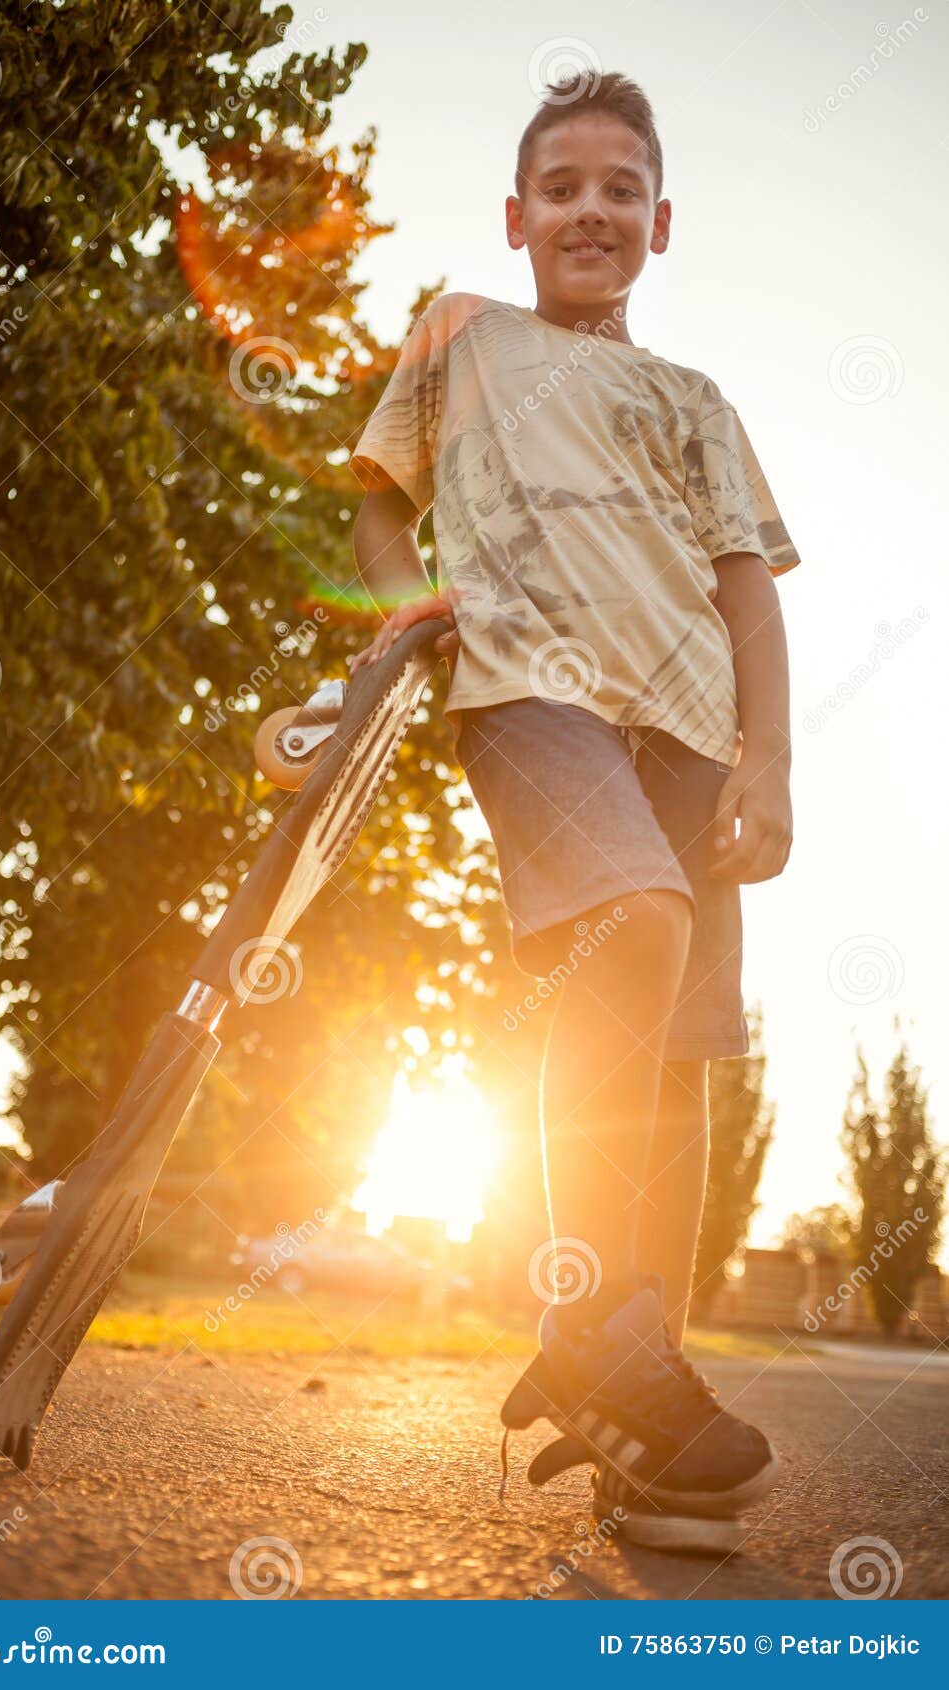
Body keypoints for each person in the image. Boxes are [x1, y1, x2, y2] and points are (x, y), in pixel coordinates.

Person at [346, 70, 800, 1554]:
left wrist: (768, 763)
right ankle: (589, 1314)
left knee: (681, 1053)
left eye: (620, 190)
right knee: (633, 922)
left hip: (689, 727)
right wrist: (403, 606)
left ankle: (649, 1428)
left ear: (659, 223)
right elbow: (377, 496)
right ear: (516, 215)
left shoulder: (694, 401)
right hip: (532, 692)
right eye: (562, 187)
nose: (590, 209)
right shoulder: (462, 338)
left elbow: (745, 589)